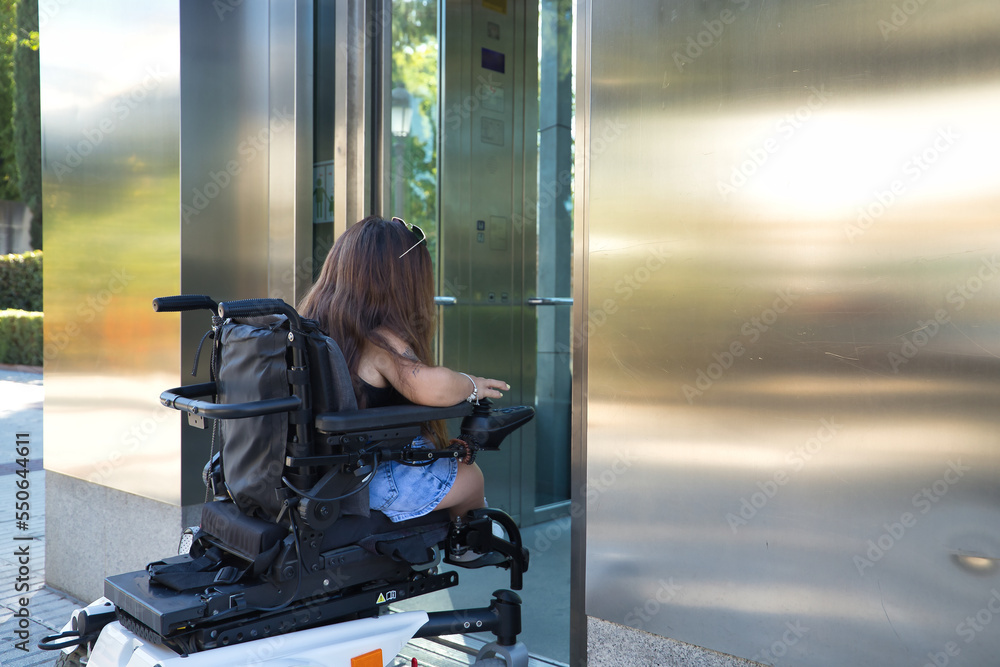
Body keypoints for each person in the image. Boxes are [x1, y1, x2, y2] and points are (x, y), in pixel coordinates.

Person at [298, 215, 510, 524]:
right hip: (368, 480)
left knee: (439, 454)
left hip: (323, 472)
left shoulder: (312, 322)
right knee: (470, 477)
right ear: (400, 285)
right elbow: (433, 386)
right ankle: (469, 541)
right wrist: (471, 385)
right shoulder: (377, 339)